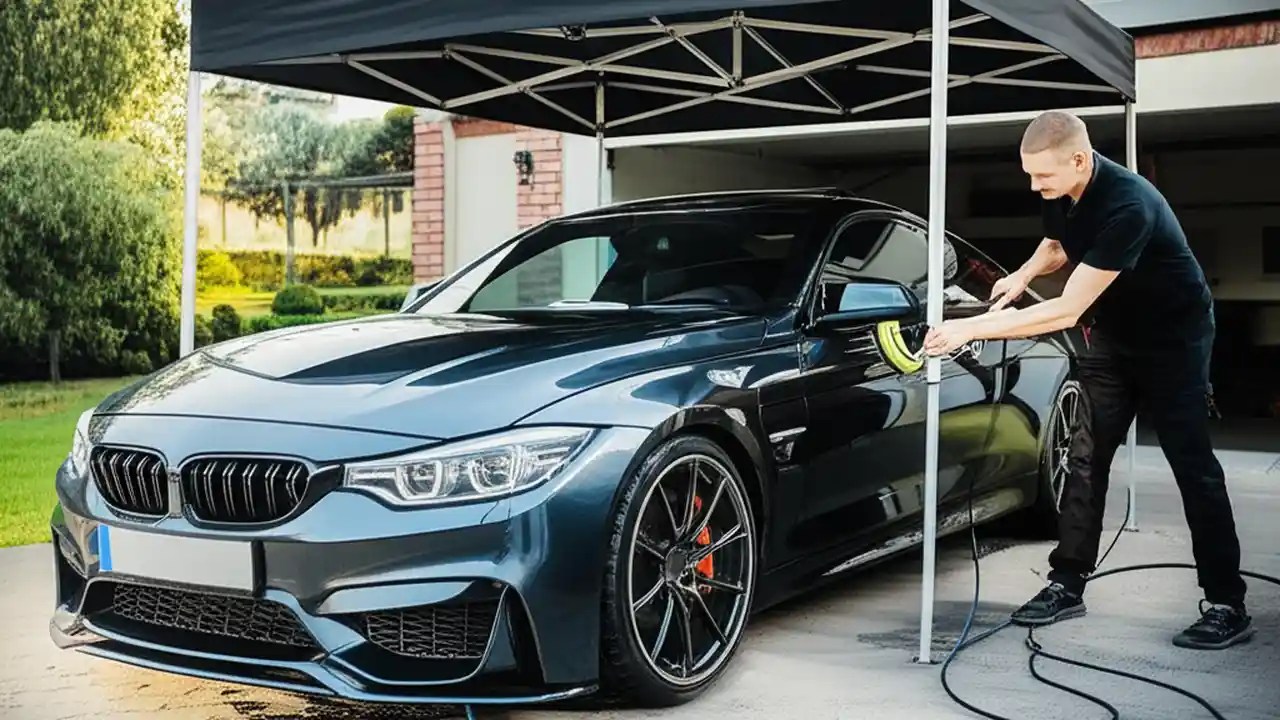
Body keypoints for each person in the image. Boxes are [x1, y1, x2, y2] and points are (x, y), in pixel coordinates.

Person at [922, 110, 1253, 650]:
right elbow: (1058, 245)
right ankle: (1066, 583)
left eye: (1043, 177)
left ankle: (1226, 602)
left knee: (1192, 467)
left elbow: (1066, 310)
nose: (1035, 187)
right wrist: (1022, 275)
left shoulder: (1130, 204)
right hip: (1116, 338)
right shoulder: (1065, 191)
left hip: (1175, 342)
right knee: (1085, 456)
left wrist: (972, 328)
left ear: (1079, 159)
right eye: (1030, 176)